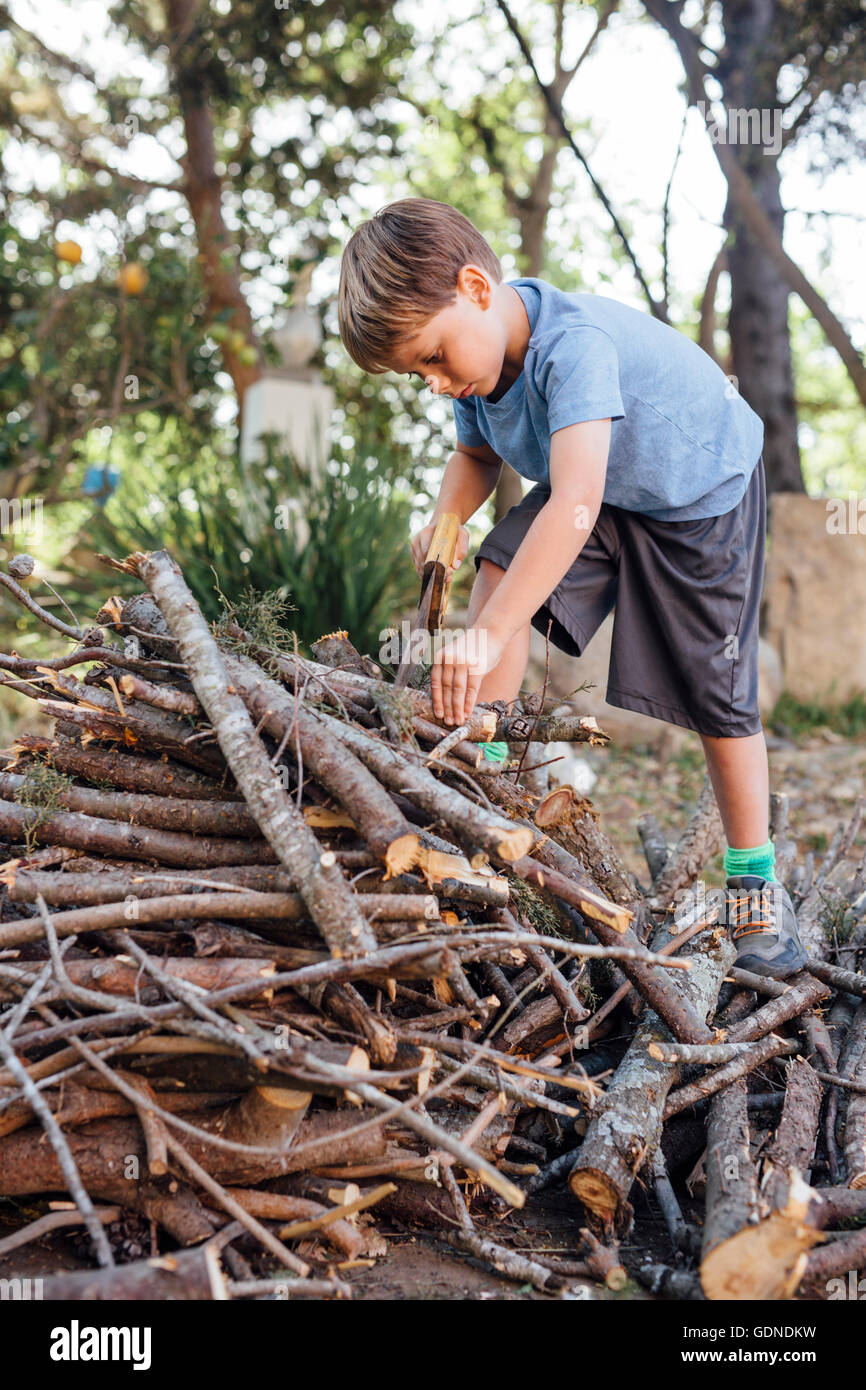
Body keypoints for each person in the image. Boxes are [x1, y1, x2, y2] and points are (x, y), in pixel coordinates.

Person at [337, 196, 808, 980]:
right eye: (418, 372)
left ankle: (755, 885)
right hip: (601, 494)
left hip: (700, 493)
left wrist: (486, 635)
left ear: (476, 289)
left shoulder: (570, 346)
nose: (434, 383)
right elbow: (479, 461)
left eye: (432, 357)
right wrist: (447, 519)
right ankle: (479, 783)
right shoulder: (479, 372)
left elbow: (576, 502)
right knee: (497, 563)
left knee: (717, 690)